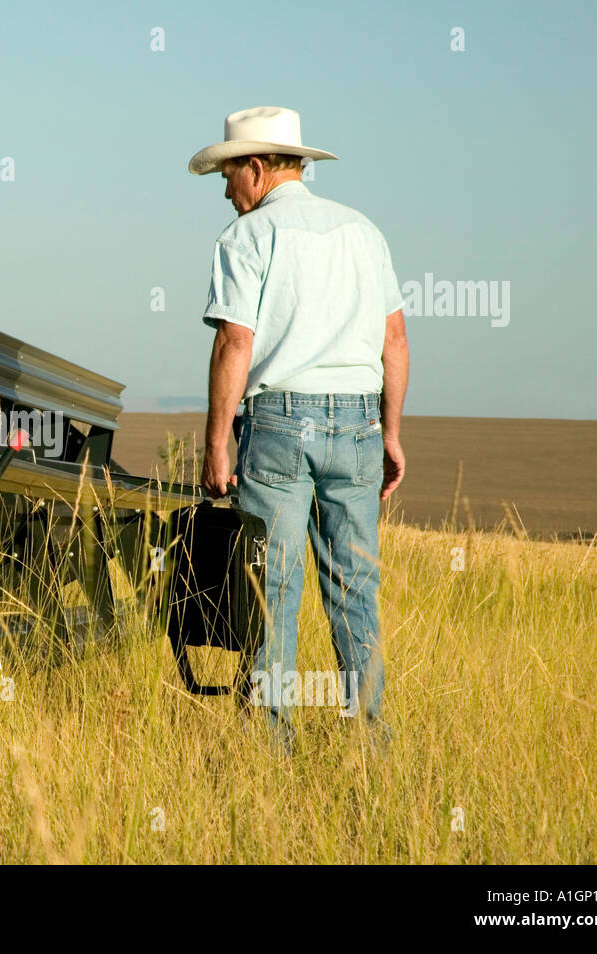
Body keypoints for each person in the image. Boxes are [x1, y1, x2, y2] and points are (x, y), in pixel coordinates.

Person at [188, 106, 409, 750]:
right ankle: (370, 741)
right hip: (360, 421)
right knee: (355, 586)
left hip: (280, 423)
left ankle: (269, 745)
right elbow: (395, 340)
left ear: (256, 169)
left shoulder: (247, 238)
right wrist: (390, 433)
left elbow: (235, 341)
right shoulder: (363, 232)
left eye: (228, 175)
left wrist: (217, 442)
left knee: (270, 585)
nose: (226, 191)